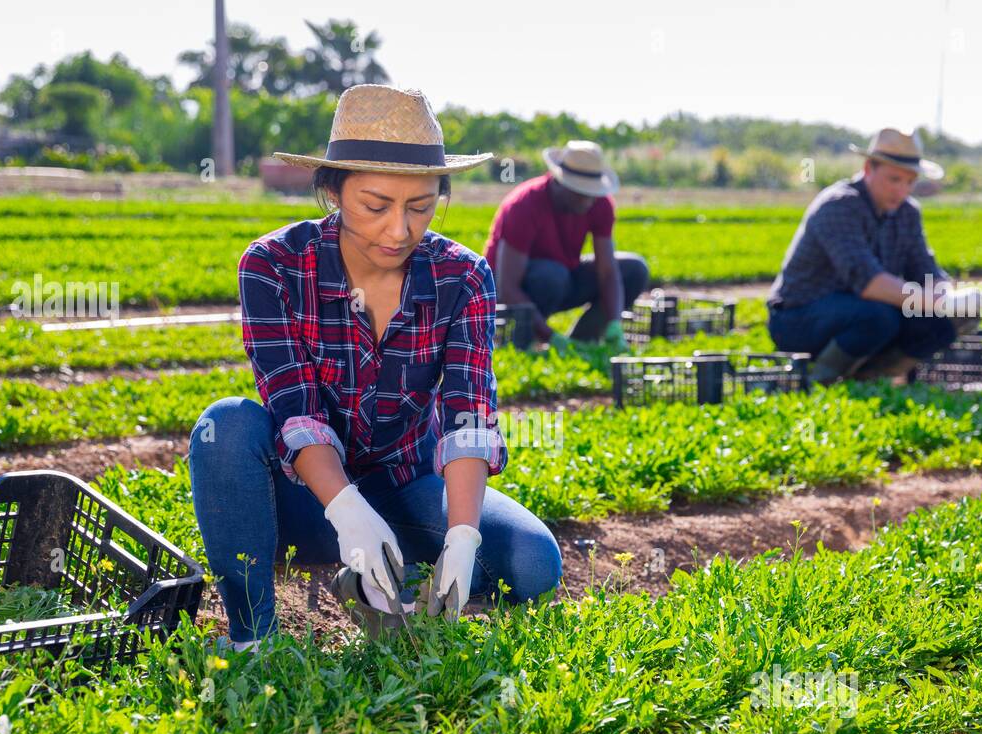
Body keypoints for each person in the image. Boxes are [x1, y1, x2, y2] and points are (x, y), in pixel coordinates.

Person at [188, 85, 563, 652]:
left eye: (421, 206)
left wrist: (462, 537)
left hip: (407, 483)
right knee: (226, 426)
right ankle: (253, 638)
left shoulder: (463, 277)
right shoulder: (273, 265)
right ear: (333, 190)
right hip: (305, 497)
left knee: (533, 563)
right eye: (375, 205)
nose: (399, 230)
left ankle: (388, 589)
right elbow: (296, 407)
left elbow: (469, 412)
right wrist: (346, 511)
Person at [766, 128, 982, 384]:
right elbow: (870, 283)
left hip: (865, 313)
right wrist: (936, 303)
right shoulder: (839, 206)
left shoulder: (907, 213)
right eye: (894, 180)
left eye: (909, 182)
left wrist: (950, 298)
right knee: (879, 317)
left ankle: (872, 378)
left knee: (939, 323)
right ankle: (819, 381)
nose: (902, 190)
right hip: (800, 318)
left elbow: (926, 270)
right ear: (869, 168)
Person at [485, 140, 650, 350]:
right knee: (552, 275)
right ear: (560, 182)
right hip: (510, 295)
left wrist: (614, 324)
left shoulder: (599, 202)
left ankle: (583, 343)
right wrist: (551, 337)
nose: (587, 201)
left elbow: (608, 271)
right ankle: (525, 339)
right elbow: (506, 287)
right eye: (580, 193)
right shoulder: (525, 205)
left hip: (562, 278)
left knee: (634, 270)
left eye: (591, 193)